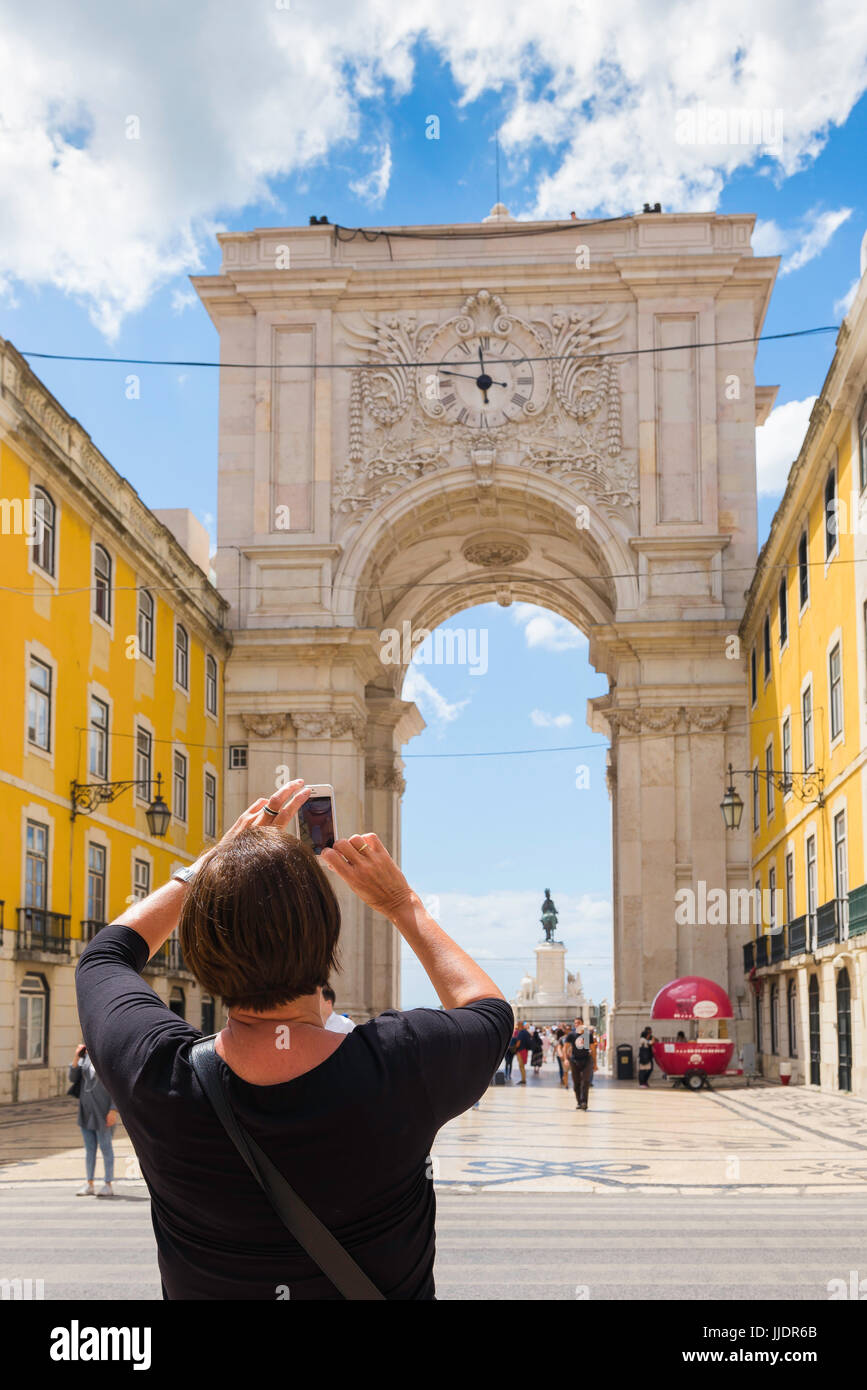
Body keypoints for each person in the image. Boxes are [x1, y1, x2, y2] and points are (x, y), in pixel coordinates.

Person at [74, 779, 512, 1300]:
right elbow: (488, 1011)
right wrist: (400, 902)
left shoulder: (151, 1072)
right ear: (328, 940)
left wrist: (208, 868)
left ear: (198, 945)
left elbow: (105, 956)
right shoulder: (404, 1064)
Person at [69, 1042, 118, 1197]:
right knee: (89, 1149)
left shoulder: (107, 1059)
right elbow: (72, 1077)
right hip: (86, 1111)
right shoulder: (84, 1059)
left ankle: (108, 1184)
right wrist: (76, 1056)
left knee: (106, 1148)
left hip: (103, 1111)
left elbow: (117, 1087)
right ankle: (89, 1183)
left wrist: (113, 1110)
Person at [564, 1018, 595, 1111]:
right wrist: (565, 1059)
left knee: (586, 1081)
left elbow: (592, 1049)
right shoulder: (571, 1035)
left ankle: (584, 1102)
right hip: (574, 1060)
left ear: (582, 1024)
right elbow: (565, 1047)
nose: (577, 1024)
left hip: (586, 1059)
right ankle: (579, 1102)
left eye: (579, 1023)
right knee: (576, 1082)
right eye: (575, 1023)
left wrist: (595, 1063)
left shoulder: (588, 1035)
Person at [514, 1020, 532, 1085]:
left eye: (517, 1024)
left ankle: (523, 1080)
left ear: (520, 1025)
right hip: (525, 1050)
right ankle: (523, 1079)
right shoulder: (526, 1032)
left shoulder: (521, 1032)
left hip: (521, 1051)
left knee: (521, 1066)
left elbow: (518, 1043)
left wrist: (514, 1048)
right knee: (522, 1066)